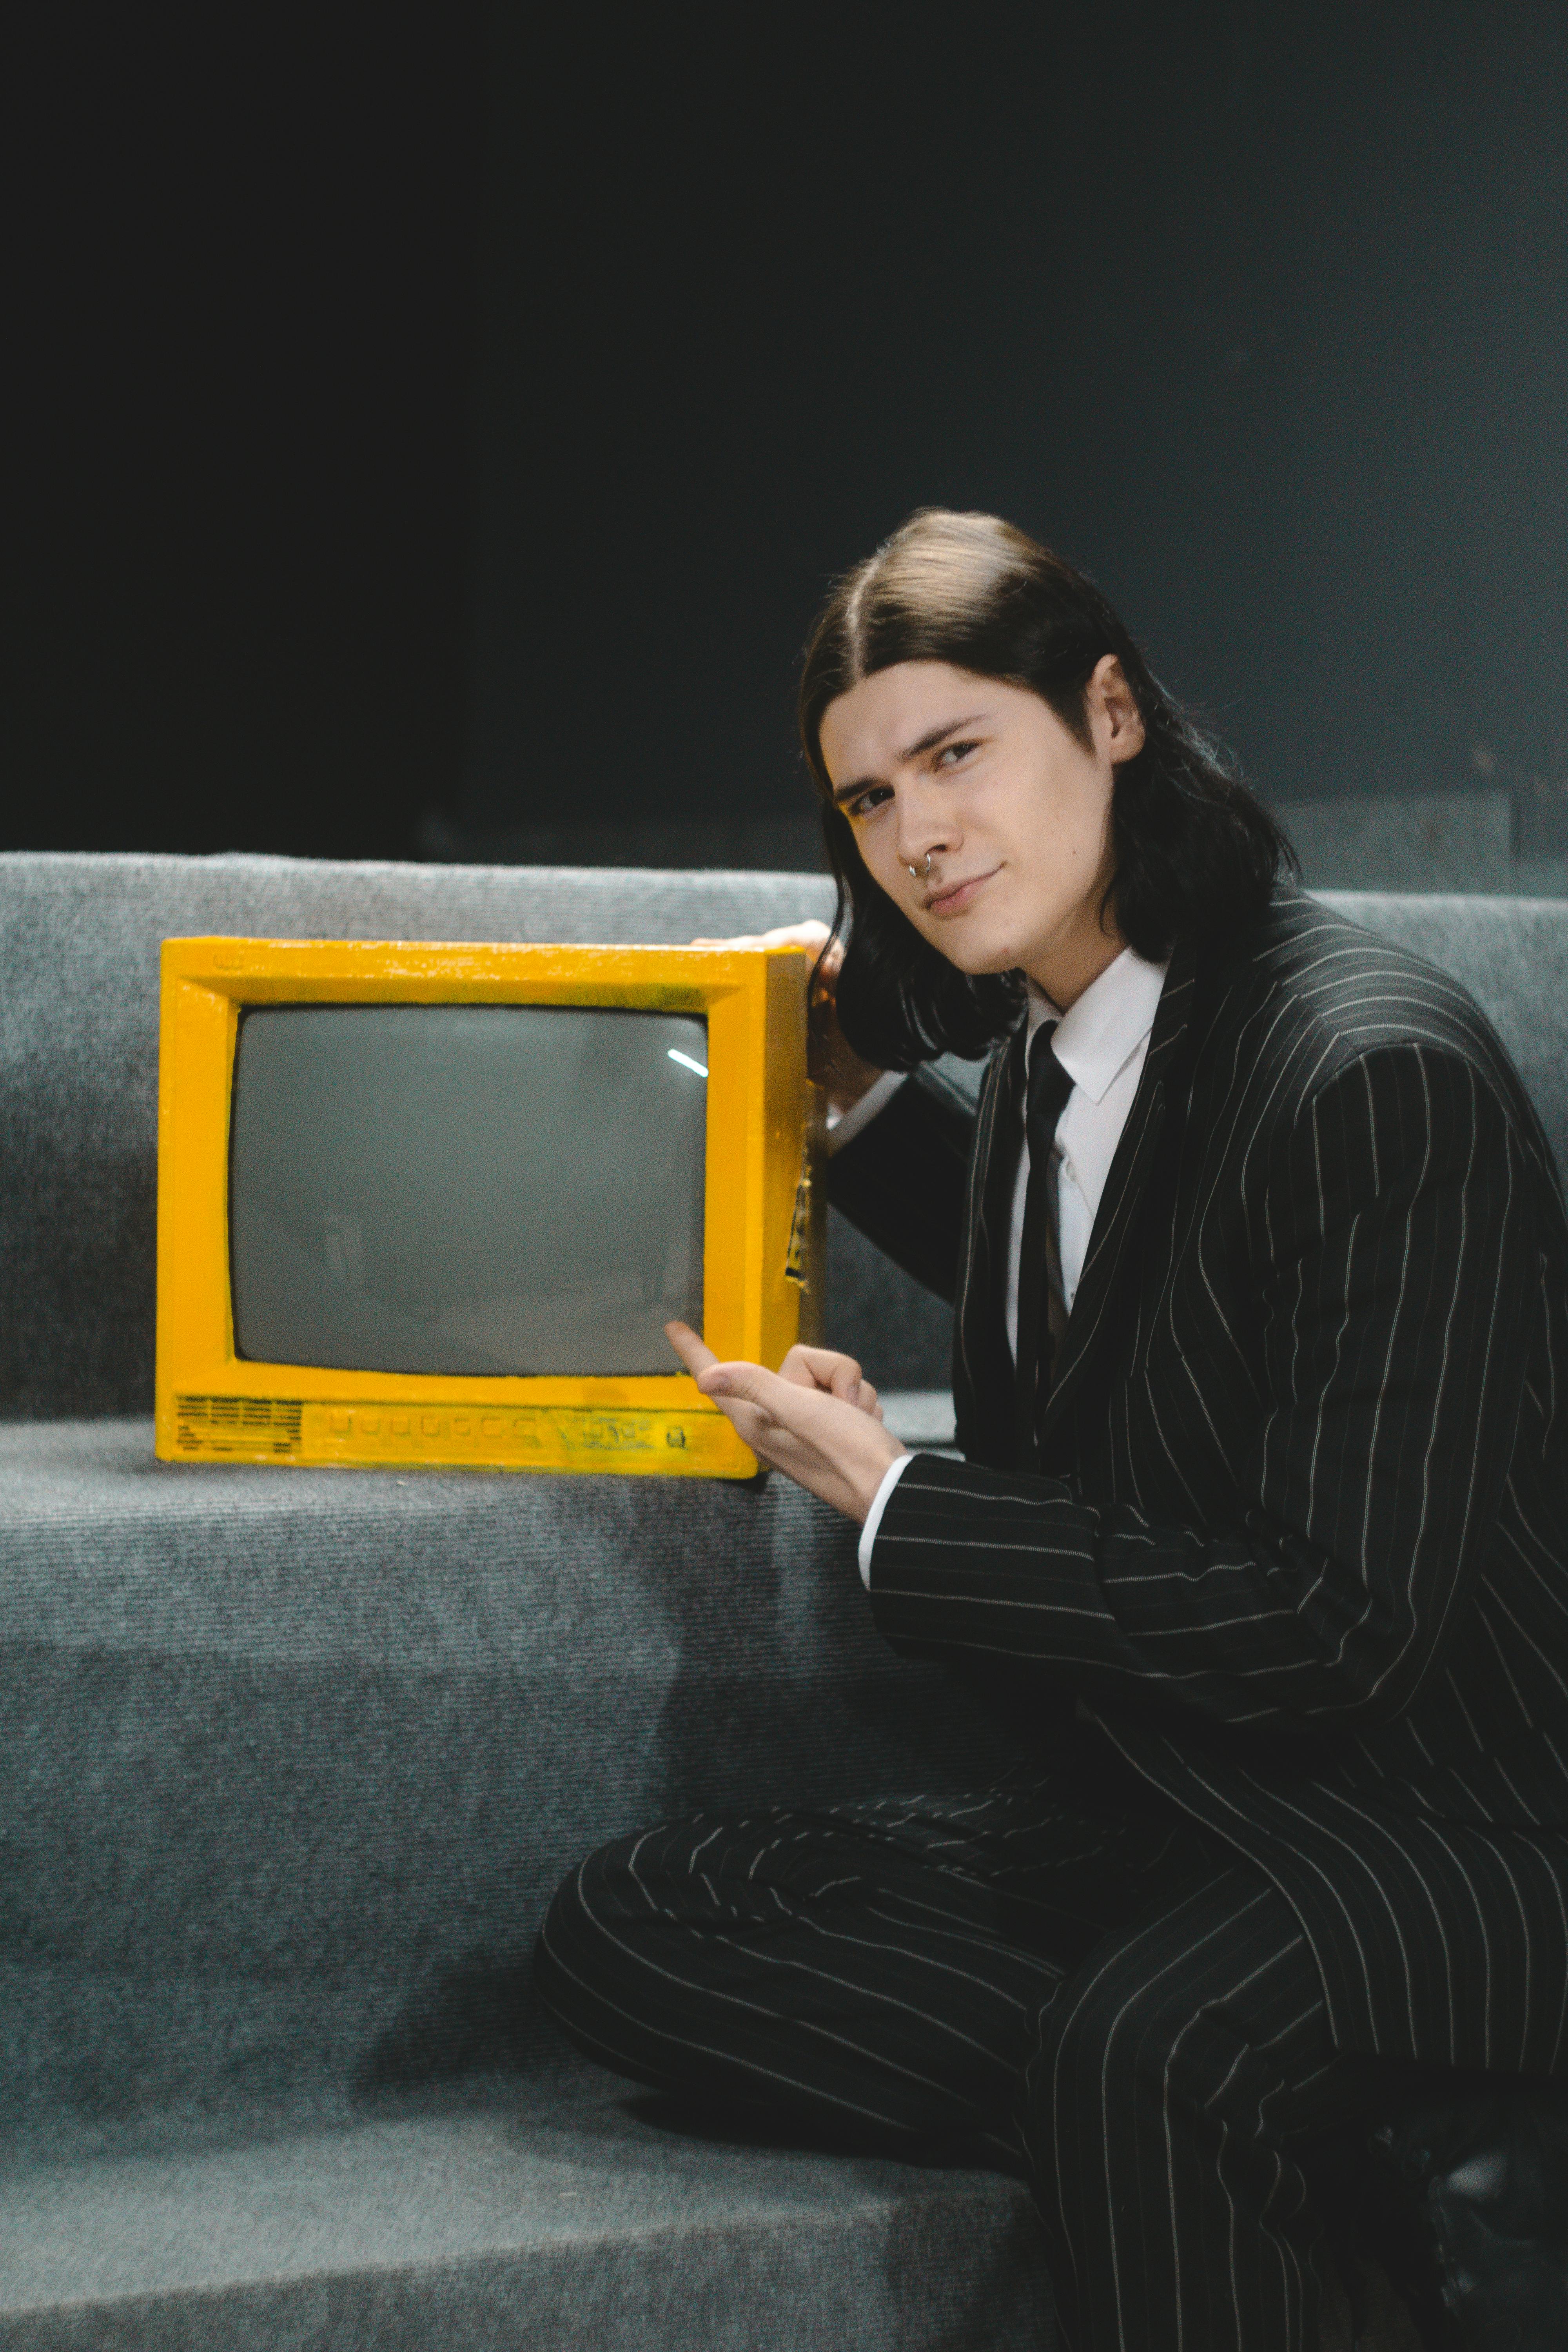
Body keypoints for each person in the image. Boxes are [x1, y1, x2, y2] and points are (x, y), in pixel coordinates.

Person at [534, 509, 1568, 2351]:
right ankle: (1297, 2152)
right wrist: (841, 1107)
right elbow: (1128, 1302)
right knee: (645, 1915)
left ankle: (1204, 2120)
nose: (916, 835)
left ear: (1106, 716)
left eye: (954, 755)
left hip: (1450, 1837)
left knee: (1139, 2052)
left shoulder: (1370, 1073)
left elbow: (1336, 1629)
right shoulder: (1044, 1055)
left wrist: (899, 1503)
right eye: (864, 801)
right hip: (1174, 1812)